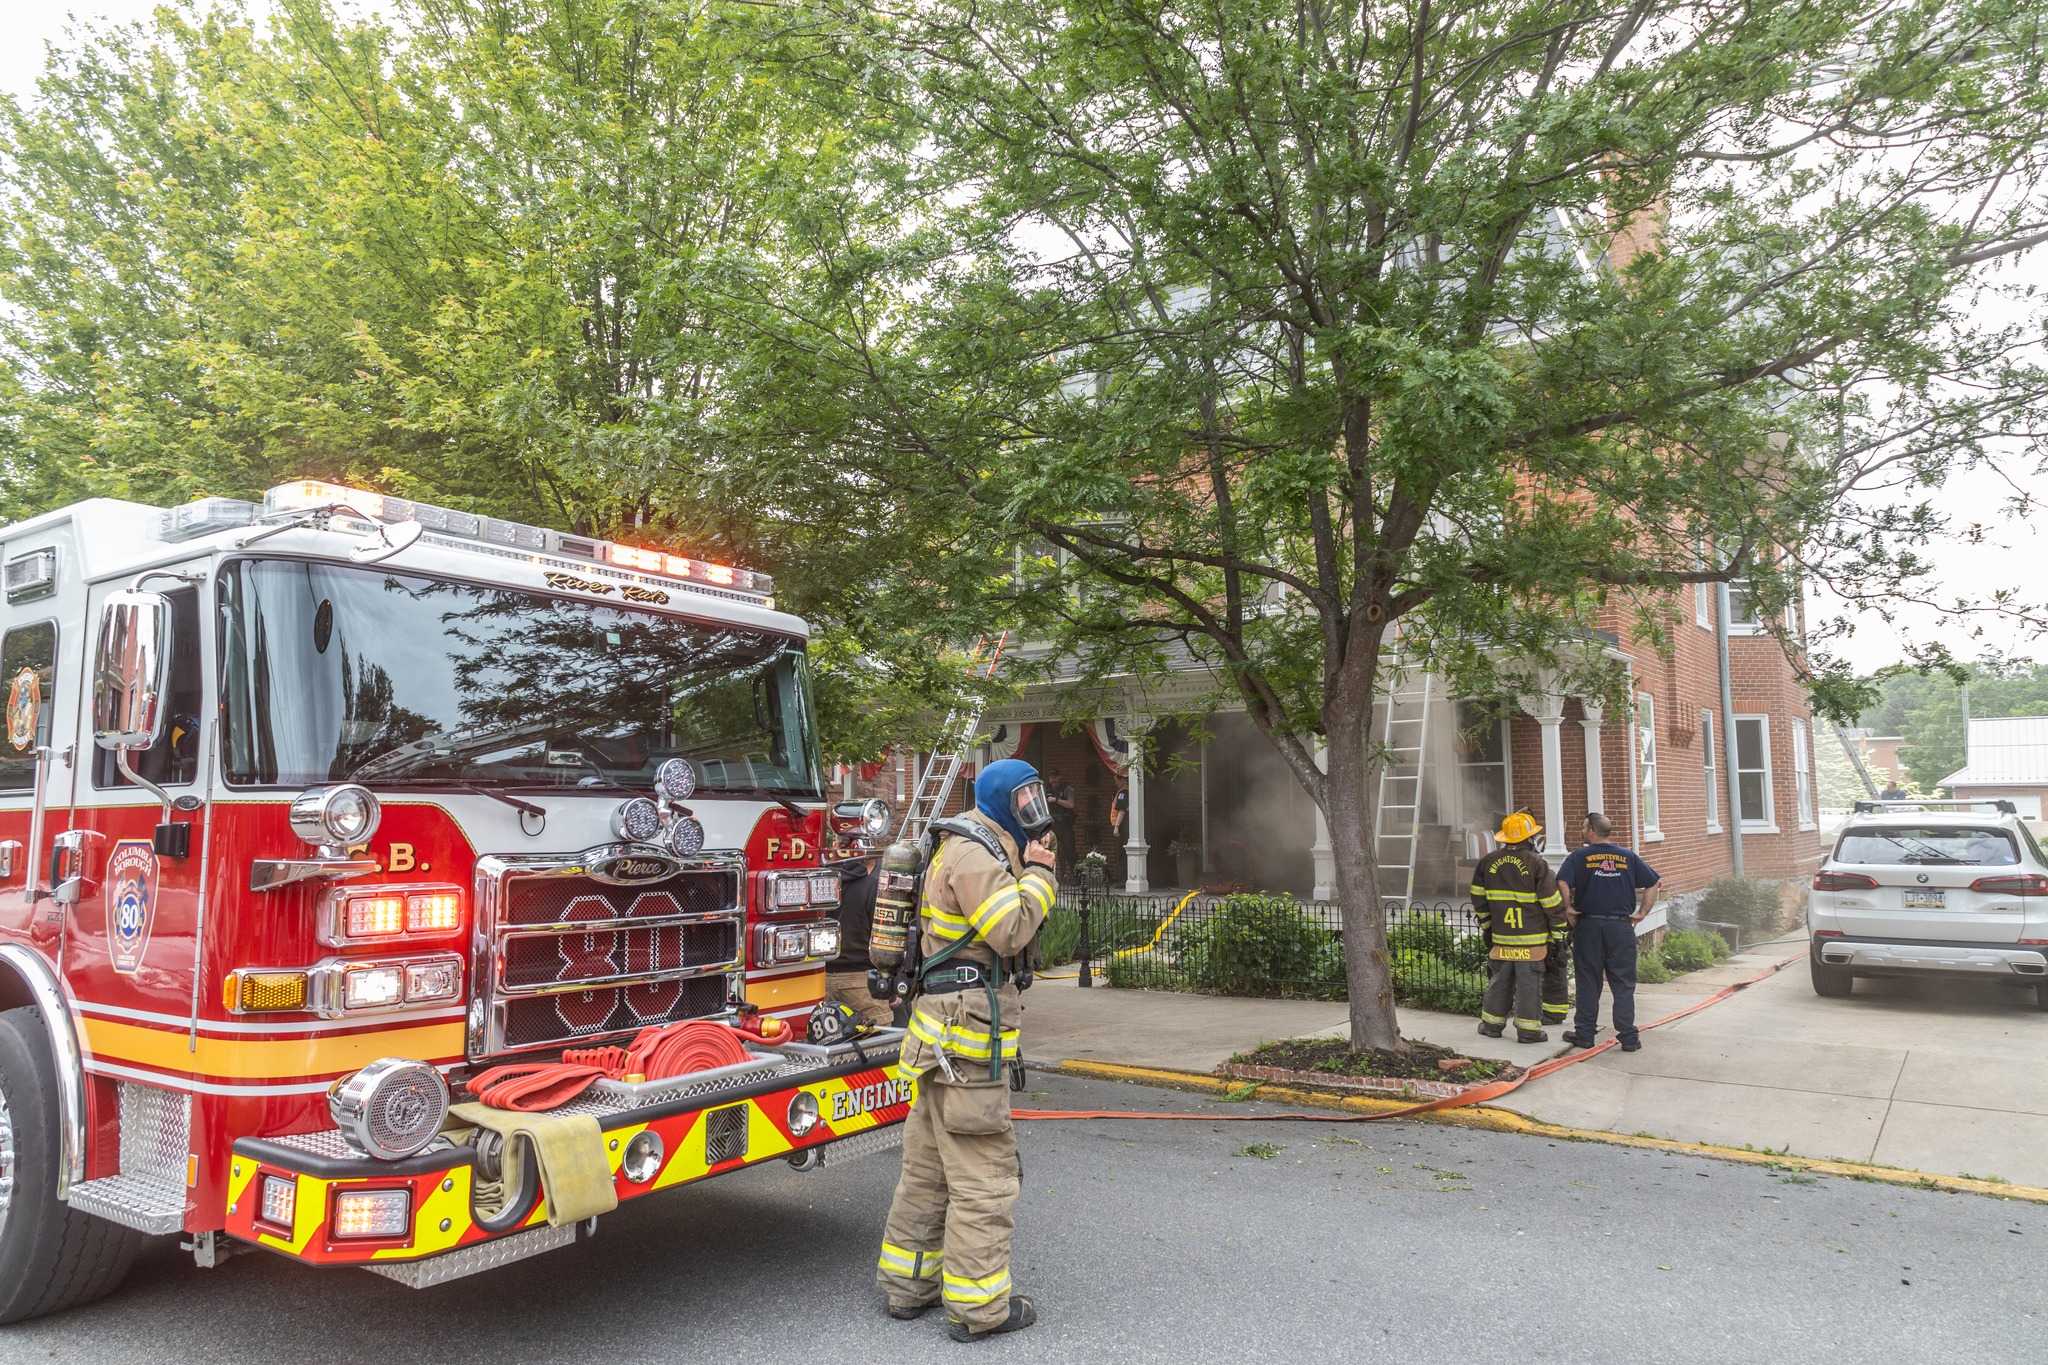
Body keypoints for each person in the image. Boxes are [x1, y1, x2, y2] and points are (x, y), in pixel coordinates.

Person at [877, 757, 1056, 1343]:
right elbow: (1010, 930)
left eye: (1038, 796)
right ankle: (981, 1311)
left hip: (941, 1037)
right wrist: (1042, 875)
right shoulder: (977, 852)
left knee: (927, 1172)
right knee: (985, 1174)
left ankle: (909, 1287)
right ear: (1000, 798)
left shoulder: (972, 842)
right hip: (967, 1039)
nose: (1035, 809)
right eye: (1025, 798)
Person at [1557, 812, 1661, 1052]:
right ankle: (1628, 1037)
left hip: (1589, 926)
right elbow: (1654, 882)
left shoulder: (1580, 856)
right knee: (1623, 983)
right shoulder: (1627, 856)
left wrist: (1568, 908)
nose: (1582, 831)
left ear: (1592, 829)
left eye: (1584, 827)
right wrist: (1642, 912)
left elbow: (1562, 881)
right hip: (1620, 927)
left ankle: (1584, 1034)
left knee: (1588, 981)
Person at [1470, 811, 1564, 1044]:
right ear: (1530, 838)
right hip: (1531, 939)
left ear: (1504, 839)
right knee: (1528, 985)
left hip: (1502, 936)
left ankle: (1491, 1026)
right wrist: (1559, 933)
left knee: (1499, 981)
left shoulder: (1487, 862)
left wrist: (1487, 926)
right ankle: (1528, 1031)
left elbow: (1478, 898)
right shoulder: (1537, 864)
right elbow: (1551, 903)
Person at [824, 852, 897, 1030]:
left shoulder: (821, 885)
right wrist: (892, 985)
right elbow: (885, 938)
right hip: (863, 982)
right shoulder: (873, 887)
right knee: (878, 1042)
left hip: (820, 980)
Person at [1045, 768, 1076, 881]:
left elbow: (1071, 804)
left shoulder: (1067, 789)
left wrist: (1056, 800)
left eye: (1055, 777)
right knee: (1054, 851)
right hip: (1053, 824)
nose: (1053, 780)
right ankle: (1058, 877)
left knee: (1069, 850)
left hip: (1065, 824)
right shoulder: (1047, 790)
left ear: (1060, 777)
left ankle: (1073, 875)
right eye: (1051, 777)